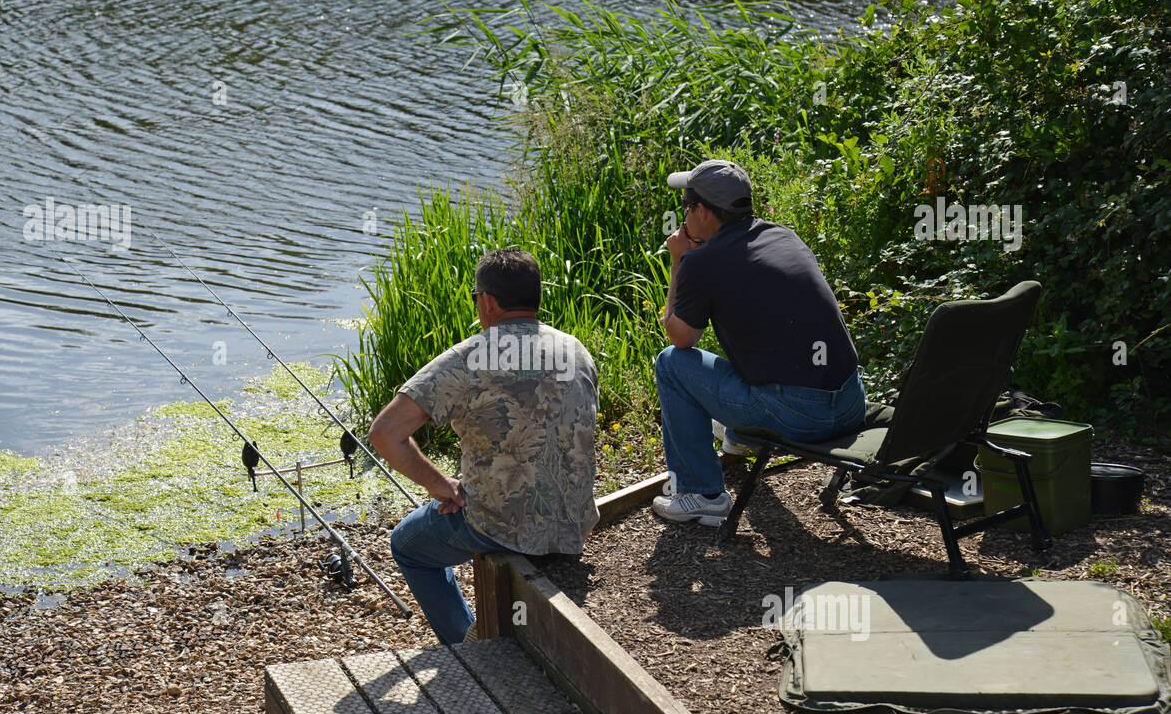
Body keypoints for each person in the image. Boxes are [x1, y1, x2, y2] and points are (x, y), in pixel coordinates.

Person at [368, 248, 599, 644]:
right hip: (573, 517)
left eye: (476, 296)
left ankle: (466, 646)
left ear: (488, 301)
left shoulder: (469, 357)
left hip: (503, 525)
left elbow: (384, 433)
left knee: (407, 545)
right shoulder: (574, 349)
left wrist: (440, 485)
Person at [653, 159, 866, 525]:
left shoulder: (701, 262)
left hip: (800, 417)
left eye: (686, 207)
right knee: (763, 340)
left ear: (702, 212)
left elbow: (680, 336)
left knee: (671, 362)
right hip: (849, 404)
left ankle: (701, 494)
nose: (684, 215)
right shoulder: (784, 236)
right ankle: (739, 436)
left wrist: (679, 261)